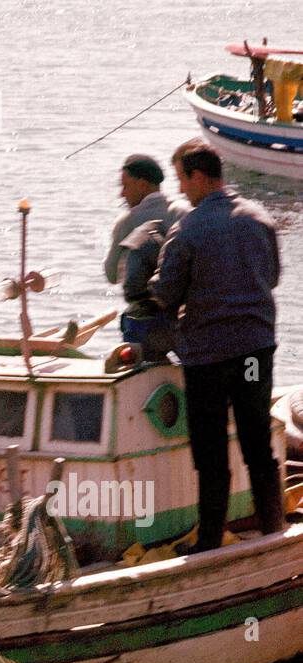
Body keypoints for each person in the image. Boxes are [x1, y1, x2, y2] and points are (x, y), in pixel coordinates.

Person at [151, 138, 283, 553]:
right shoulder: (260, 219)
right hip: (254, 354)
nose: (181, 189)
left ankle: (209, 540)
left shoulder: (188, 229)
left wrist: (153, 288)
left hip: (209, 357)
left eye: (182, 180)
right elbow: (273, 277)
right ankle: (274, 529)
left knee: (210, 451)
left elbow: (167, 292)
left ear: (198, 176)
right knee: (256, 439)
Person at [102, 153, 187, 348]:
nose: (122, 194)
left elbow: (112, 275)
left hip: (146, 321)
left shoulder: (127, 221)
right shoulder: (184, 211)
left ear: (142, 184)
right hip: (186, 317)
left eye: (125, 186)